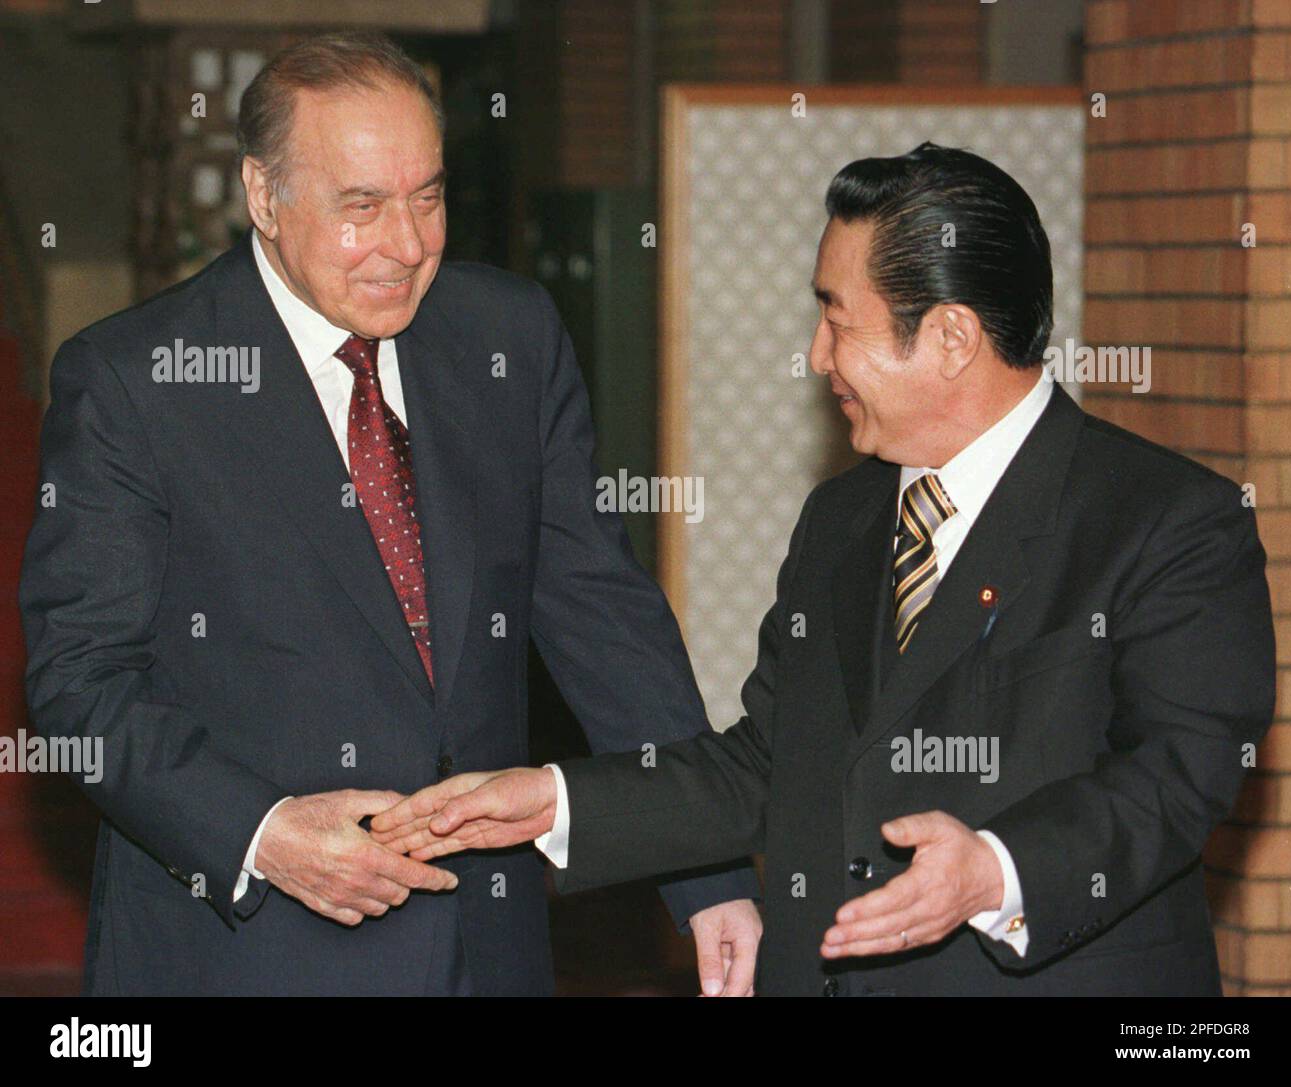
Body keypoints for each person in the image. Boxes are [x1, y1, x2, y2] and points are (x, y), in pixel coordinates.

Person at [371, 143, 1277, 997]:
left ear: (953, 337)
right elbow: (766, 762)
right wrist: (555, 800)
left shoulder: (1168, 523)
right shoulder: (842, 519)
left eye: (837, 320)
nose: (814, 356)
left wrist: (996, 870)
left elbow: (1178, 773)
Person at [19, 32, 759, 996]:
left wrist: (706, 874)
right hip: (245, 952)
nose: (408, 246)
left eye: (429, 196)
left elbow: (605, 621)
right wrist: (266, 833)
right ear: (264, 196)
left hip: (487, 951)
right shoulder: (134, 381)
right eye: (362, 207)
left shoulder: (510, 340)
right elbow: (79, 686)